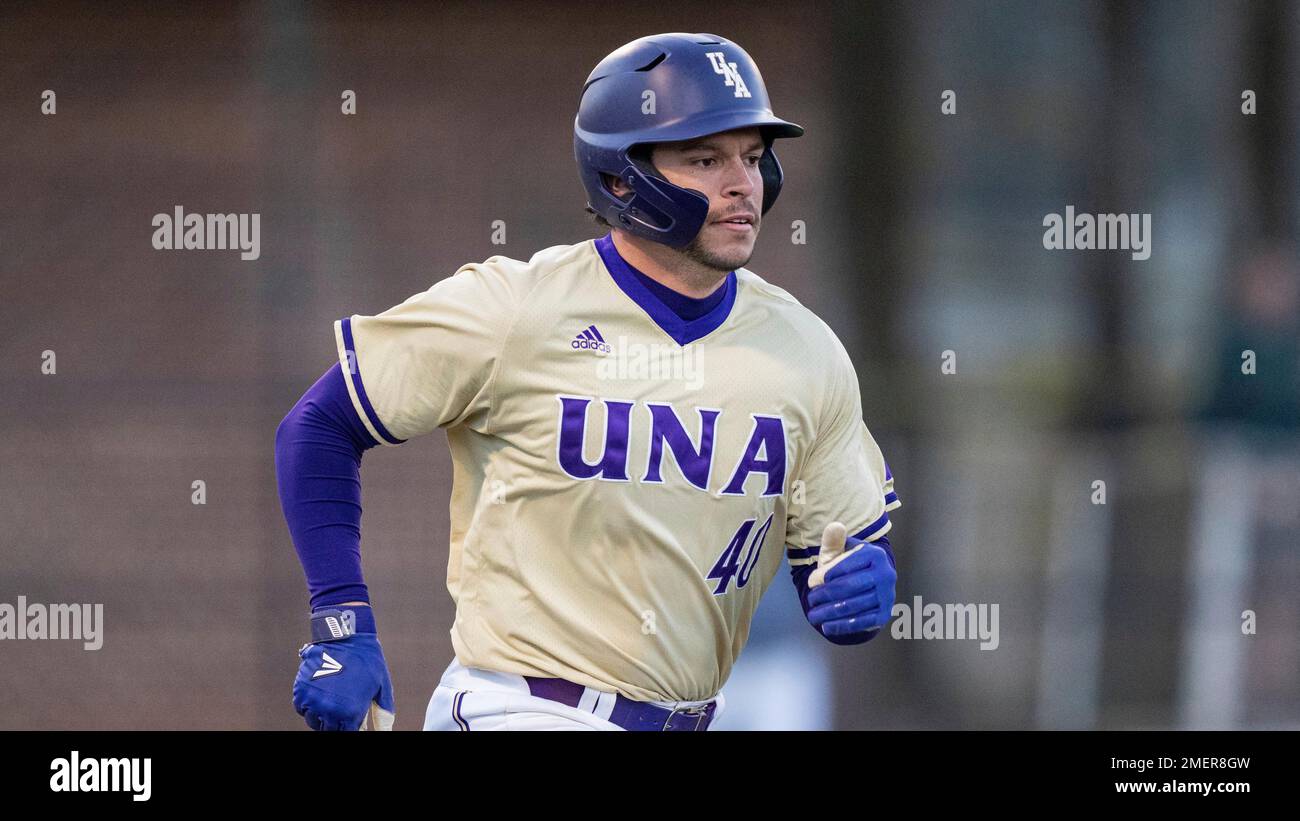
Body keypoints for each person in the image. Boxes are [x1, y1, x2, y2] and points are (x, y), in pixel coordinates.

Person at [275, 32, 900, 732]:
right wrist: (342, 622)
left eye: (753, 158)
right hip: (524, 706)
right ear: (622, 177)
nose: (741, 183)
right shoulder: (517, 308)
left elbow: (837, 561)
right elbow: (319, 424)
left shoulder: (805, 350)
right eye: (705, 157)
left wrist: (858, 590)